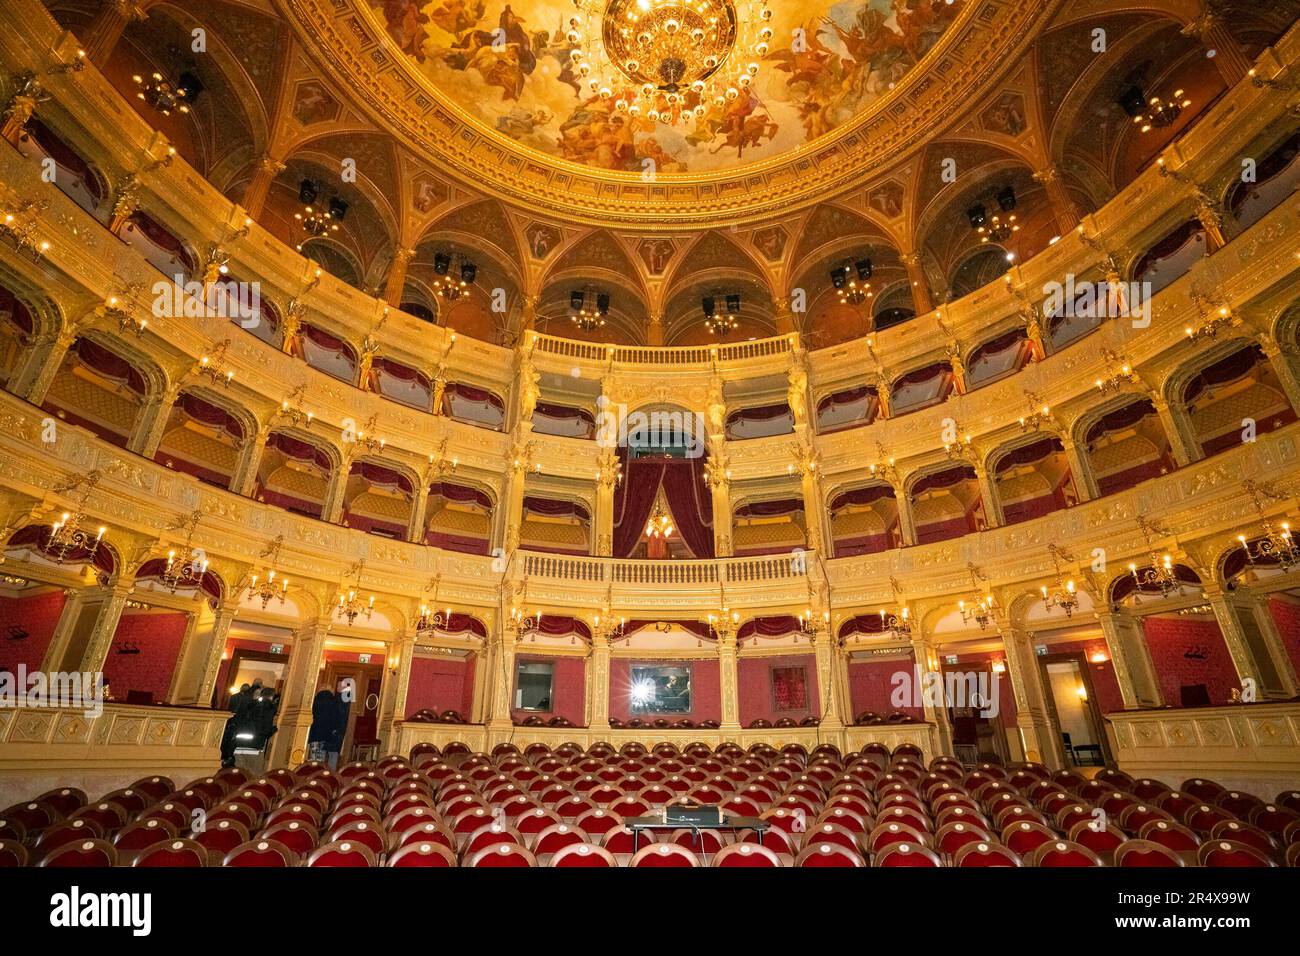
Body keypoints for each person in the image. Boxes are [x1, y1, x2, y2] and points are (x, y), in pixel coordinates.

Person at [220, 683, 253, 767]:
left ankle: (225, 757)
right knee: (234, 741)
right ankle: (229, 757)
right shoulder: (248, 699)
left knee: (227, 739)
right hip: (240, 722)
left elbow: (229, 708)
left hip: (231, 720)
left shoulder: (233, 696)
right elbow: (247, 713)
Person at [308, 686, 337, 768]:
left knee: (314, 753)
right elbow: (334, 717)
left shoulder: (315, 699)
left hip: (315, 730)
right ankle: (320, 771)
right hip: (327, 732)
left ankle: (313, 770)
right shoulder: (333, 700)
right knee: (322, 753)